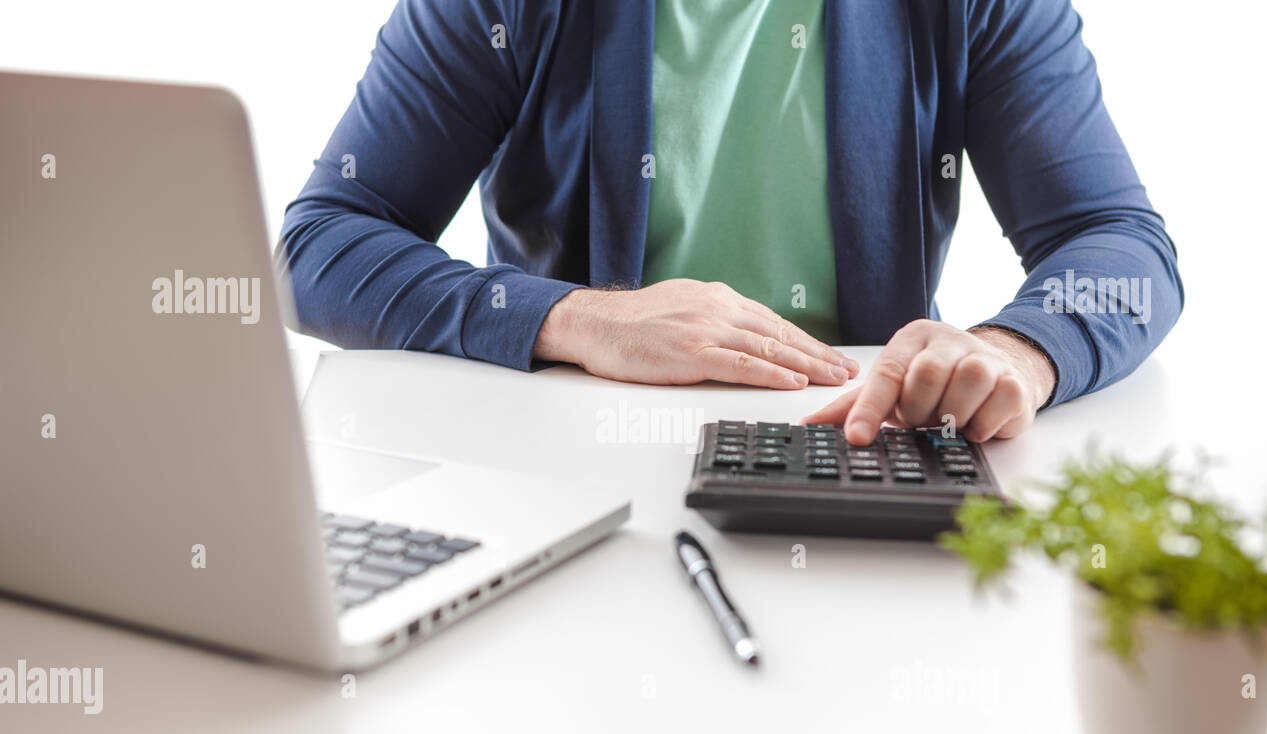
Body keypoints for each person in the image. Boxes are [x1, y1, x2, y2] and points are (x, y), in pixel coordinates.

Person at [280, 0, 1182, 444]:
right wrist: (576, 318)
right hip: (564, 454)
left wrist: (1015, 350)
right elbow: (323, 241)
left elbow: (1116, 241)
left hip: (855, 449)